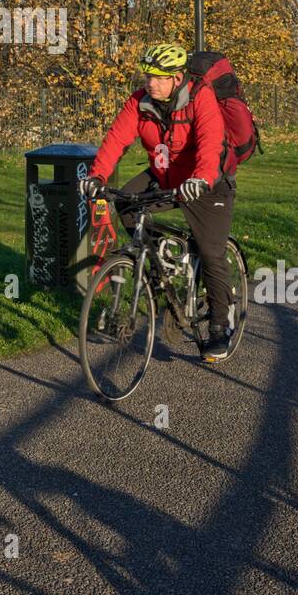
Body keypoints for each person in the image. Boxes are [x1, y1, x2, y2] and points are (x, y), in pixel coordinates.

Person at [81, 42, 237, 362]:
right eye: (148, 76)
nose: (150, 82)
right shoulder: (140, 102)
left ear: (177, 77)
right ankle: (162, 260)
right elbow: (116, 139)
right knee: (125, 203)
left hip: (207, 182)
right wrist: (97, 177)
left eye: (159, 77)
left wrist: (201, 179)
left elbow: (210, 143)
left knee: (210, 252)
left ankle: (220, 328)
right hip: (164, 175)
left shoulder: (200, 97)